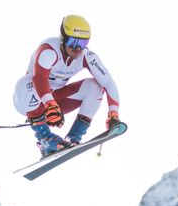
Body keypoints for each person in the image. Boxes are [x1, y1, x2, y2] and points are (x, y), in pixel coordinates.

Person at [13, 15, 122, 157]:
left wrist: (113, 113)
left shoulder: (86, 56)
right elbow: (39, 77)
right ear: (63, 38)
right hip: (31, 101)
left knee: (95, 86)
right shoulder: (48, 50)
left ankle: (73, 137)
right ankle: (44, 138)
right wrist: (49, 104)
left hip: (56, 102)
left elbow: (108, 83)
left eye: (83, 43)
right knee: (25, 82)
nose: (78, 48)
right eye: (73, 41)